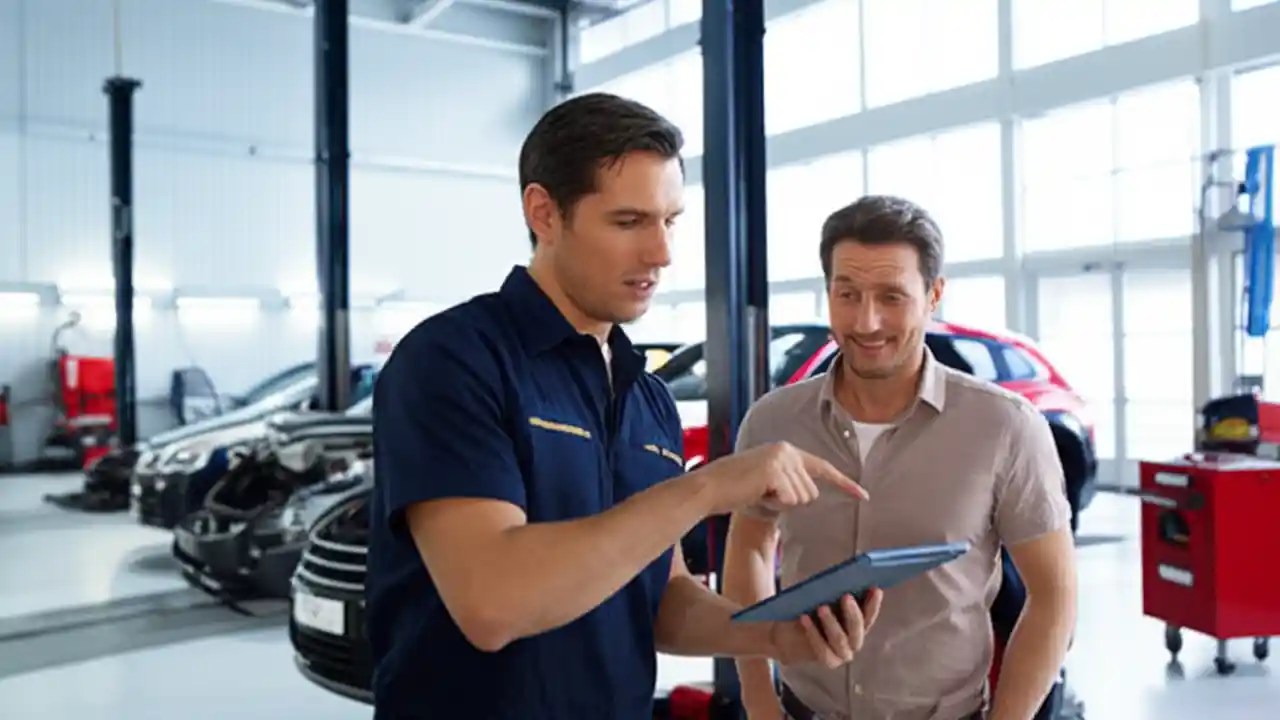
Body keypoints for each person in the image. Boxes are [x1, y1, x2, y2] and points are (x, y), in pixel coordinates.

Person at [365, 92, 884, 720]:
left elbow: (660, 600)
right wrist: (704, 490)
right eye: (629, 222)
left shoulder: (647, 398)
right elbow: (492, 602)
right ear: (544, 213)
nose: (661, 254)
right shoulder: (455, 360)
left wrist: (774, 633)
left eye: (670, 221)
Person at [722, 195, 1078, 720]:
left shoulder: (1004, 427)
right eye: (848, 294)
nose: (867, 322)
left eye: (891, 296)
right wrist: (758, 701)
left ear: (934, 294)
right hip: (804, 709)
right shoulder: (773, 422)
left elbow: (1054, 595)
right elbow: (750, 551)